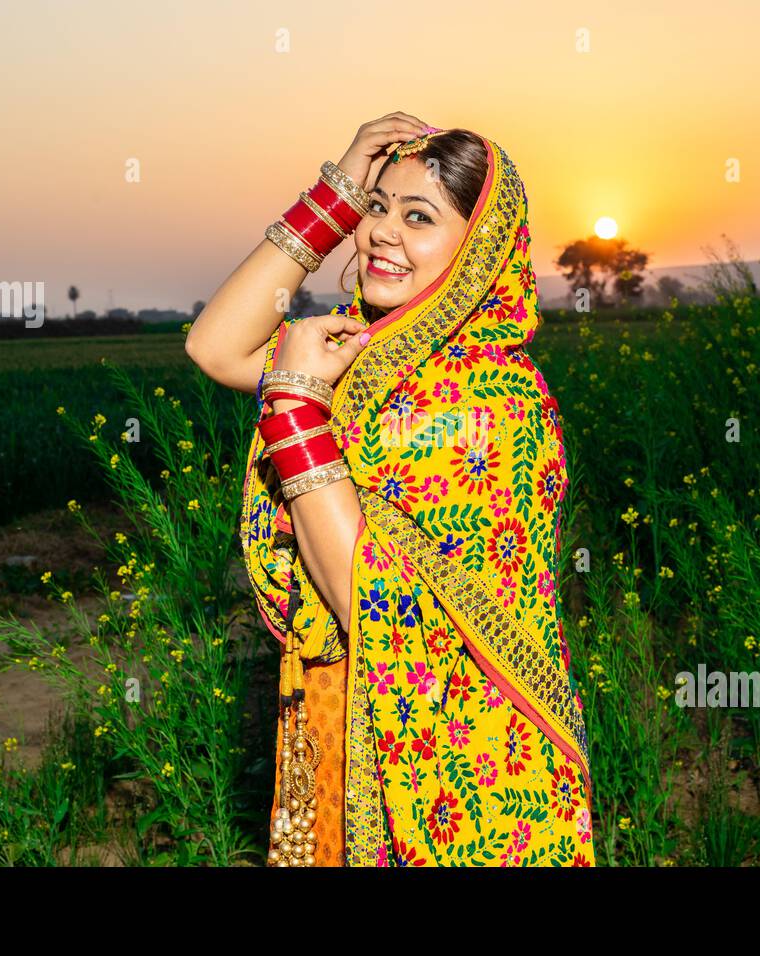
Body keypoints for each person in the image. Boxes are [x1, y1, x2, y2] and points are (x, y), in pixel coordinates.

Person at [187, 113, 593, 866]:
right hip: (343, 712)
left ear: (478, 253)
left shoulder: (496, 402)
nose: (381, 232)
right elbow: (217, 344)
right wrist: (335, 186)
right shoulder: (357, 355)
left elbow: (363, 596)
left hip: (461, 754)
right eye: (376, 208)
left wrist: (298, 406)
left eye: (418, 217)